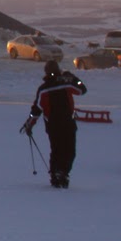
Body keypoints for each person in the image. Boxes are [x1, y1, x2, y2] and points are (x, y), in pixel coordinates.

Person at [22, 59, 87, 188]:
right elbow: (82, 90)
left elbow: (36, 109)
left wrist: (29, 123)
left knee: (56, 150)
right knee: (69, 151)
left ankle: (56, 174)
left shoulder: (43, 89)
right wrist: (74, 78)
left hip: (53, 125)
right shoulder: (67, 84)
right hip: (68, 123)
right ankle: (62, 173)